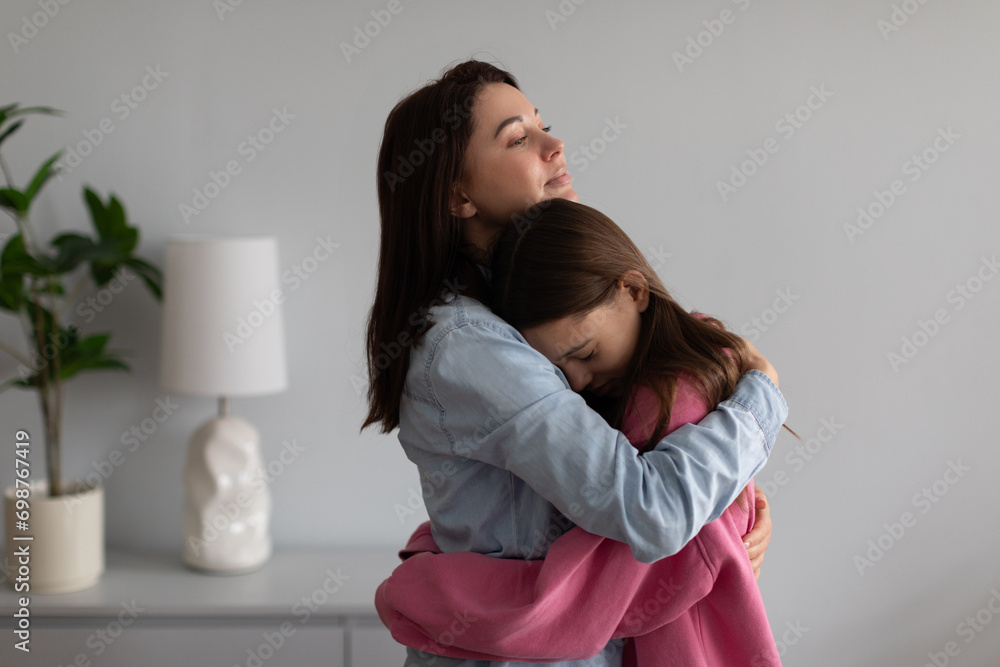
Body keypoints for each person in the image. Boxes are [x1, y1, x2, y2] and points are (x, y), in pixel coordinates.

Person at [364, 59, 788, 667]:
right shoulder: (467, 345)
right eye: (517, 138)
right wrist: (761, 395)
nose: (554, 145)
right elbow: (650, 508)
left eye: (543, 125)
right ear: (456, 195)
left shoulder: (525, 305)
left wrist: (728, 513)